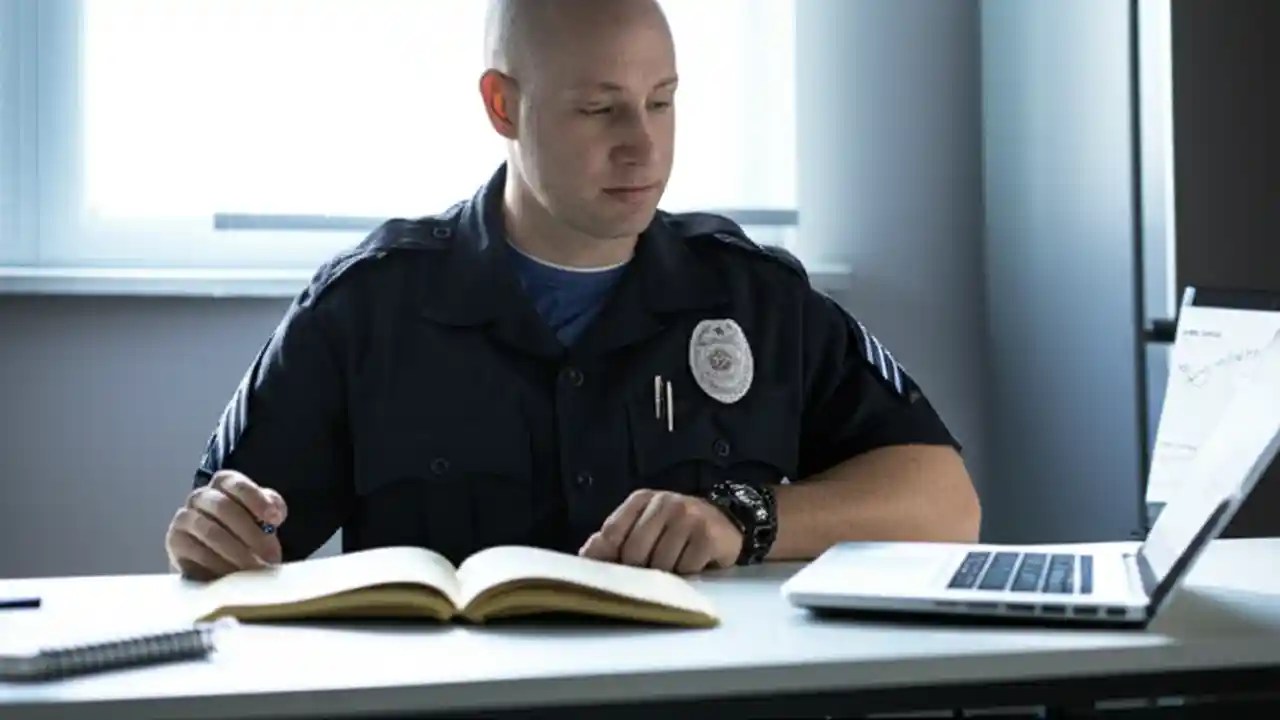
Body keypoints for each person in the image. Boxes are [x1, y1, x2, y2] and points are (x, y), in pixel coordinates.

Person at [164, 0, 981, 581]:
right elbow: (231, 540)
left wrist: (743, 518)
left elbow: (946, 502)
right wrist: (219, 536)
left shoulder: (753, 296)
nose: (644, 147)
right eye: (600, 110)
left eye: (662, 102)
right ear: (502, 105)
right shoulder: (366, 307)